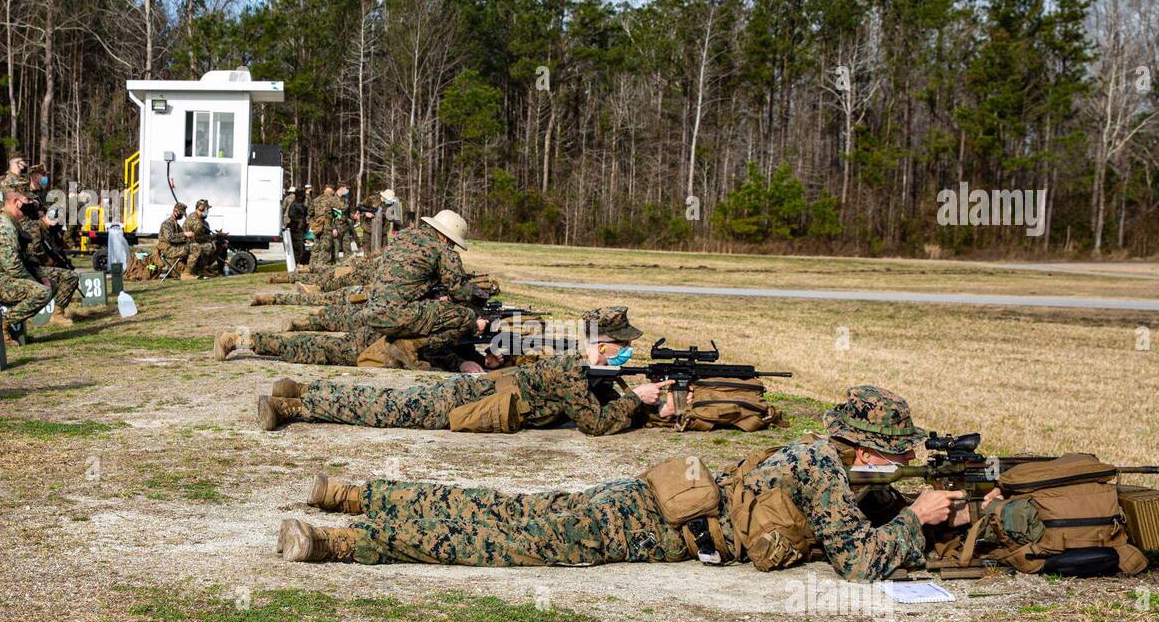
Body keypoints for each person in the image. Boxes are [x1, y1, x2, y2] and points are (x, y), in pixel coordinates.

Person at [275, 385, 982, 582]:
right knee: (502, 544)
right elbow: (859, 561)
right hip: (652, 526)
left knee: (505, 510)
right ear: (862, 445)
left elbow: (844, 523)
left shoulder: (816, 454)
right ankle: (340, 543)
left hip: (648, 497)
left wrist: (899, 501)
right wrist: (915, 519)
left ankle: (355, 494)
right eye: (886, 456)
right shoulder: (828, 469)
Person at [254, 306, 675, 434]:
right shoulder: (572, 369)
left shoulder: (581, 364)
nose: (626, 353)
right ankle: (297, 405)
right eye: (622, 347)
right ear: (604, 344)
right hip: (471, 400)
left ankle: (304, 390)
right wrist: (637, 400)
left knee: (386, 403)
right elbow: (595, 425)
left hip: (480, 391)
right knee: (384, 409)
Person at [353, 208, 489, 369]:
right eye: (453, 243)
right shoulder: (443, 250)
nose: (452, 246)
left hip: (371, 311)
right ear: (446, 237)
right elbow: (462, 294)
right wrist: (475, 323)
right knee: (465, 317)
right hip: (397, 315)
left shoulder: (403, 236)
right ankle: (409, 347)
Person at [0, 190, 77, 341]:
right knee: (41, 292)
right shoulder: (4, 224)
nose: (31, 203)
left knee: (49, 285)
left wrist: (41, 276)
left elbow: (26, 258)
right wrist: (35, 281)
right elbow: (13, 265)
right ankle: (3, 325)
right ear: (17, 203)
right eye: (27, 199)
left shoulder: (13, 222)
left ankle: (15, 329)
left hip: (1, 275)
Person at [181, 199, 218, 278]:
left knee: (209, 245)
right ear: (201, 208)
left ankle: (201, 269)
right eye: (207, 209)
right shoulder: (196, 222)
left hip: (194, 241)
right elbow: (199, 238)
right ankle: (187, 273)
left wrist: (214, 237)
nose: (207, 211)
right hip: (187, 243)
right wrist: (213, 237)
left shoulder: (201, 220)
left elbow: (204, 235)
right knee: (208, 246)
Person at [286, 187, 309, 265]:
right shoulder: (294, 205)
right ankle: (296, 264)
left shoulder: (301, 204)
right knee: (298, 249)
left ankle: (299, 263)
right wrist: (298, 221)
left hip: (301, 230)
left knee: (301, 248)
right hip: (296, 230)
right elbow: (291, 215)